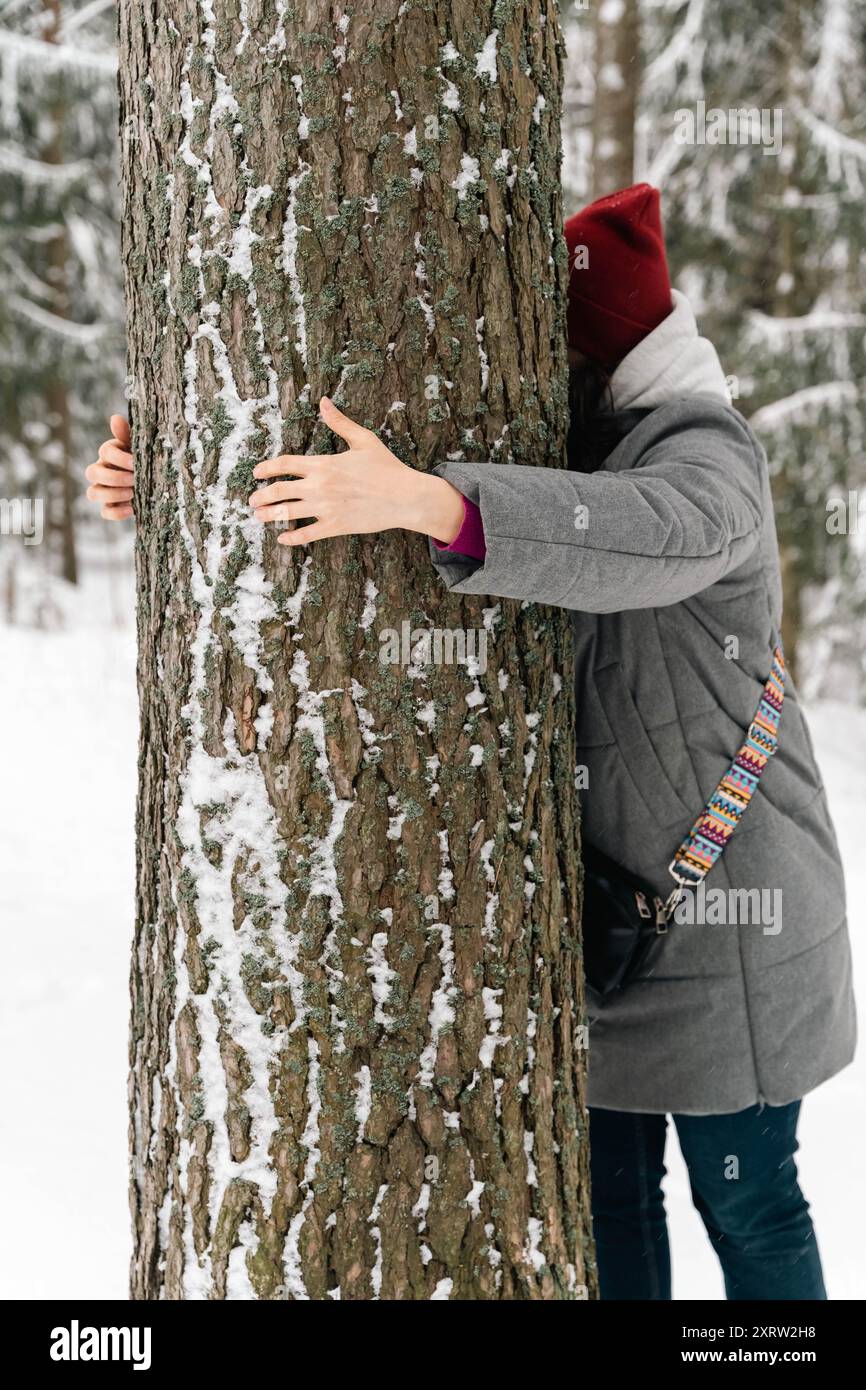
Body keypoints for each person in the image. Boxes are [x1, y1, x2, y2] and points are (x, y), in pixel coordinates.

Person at [85, 182, 855, 1300]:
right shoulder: (594, 441)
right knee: (604, 1201)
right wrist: (159, 479)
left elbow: (643, 537)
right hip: (610, 923)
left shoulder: (709, 459)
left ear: (602, 360)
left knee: (745, 1197)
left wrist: (437, 504)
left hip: (732, 925)